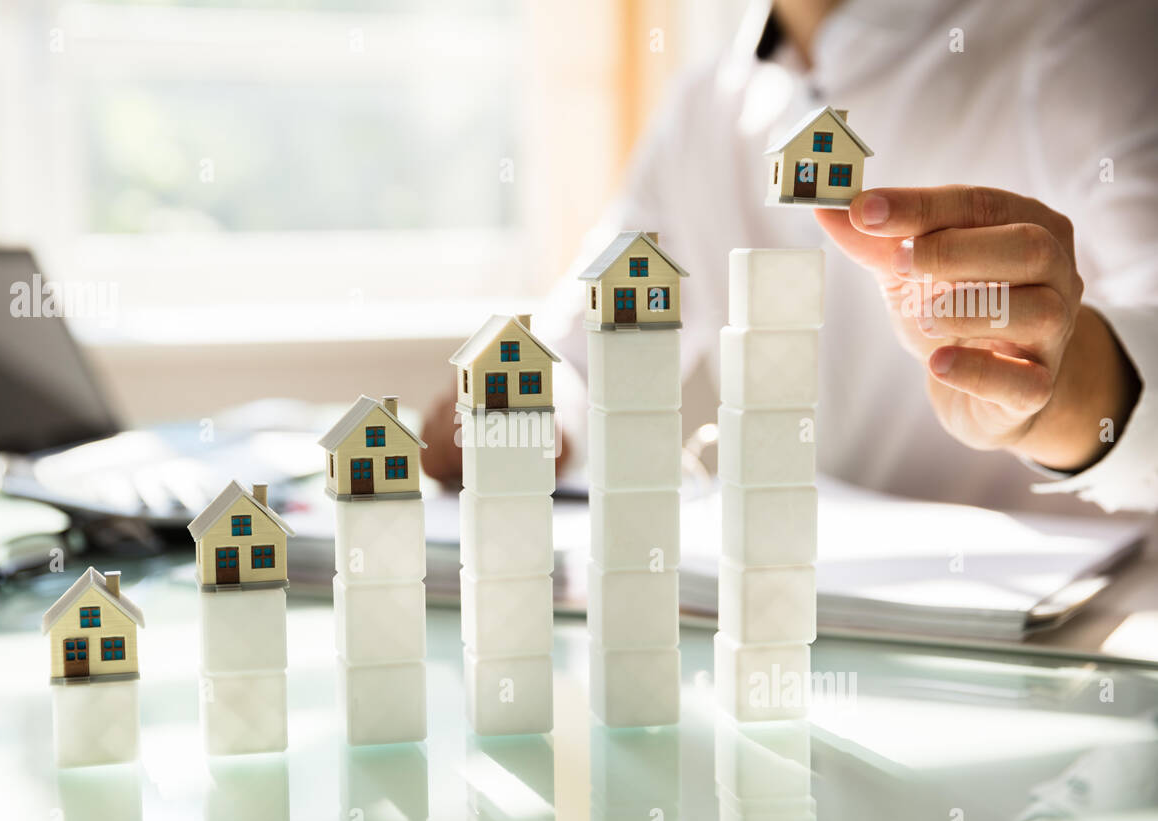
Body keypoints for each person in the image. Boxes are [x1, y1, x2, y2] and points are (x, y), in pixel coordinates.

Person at [422, 0, 1158, 515]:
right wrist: (519, 418)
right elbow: (581, 356)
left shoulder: (1088, 34)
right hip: (793, 621)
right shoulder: (705, 106)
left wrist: (1062, 396)